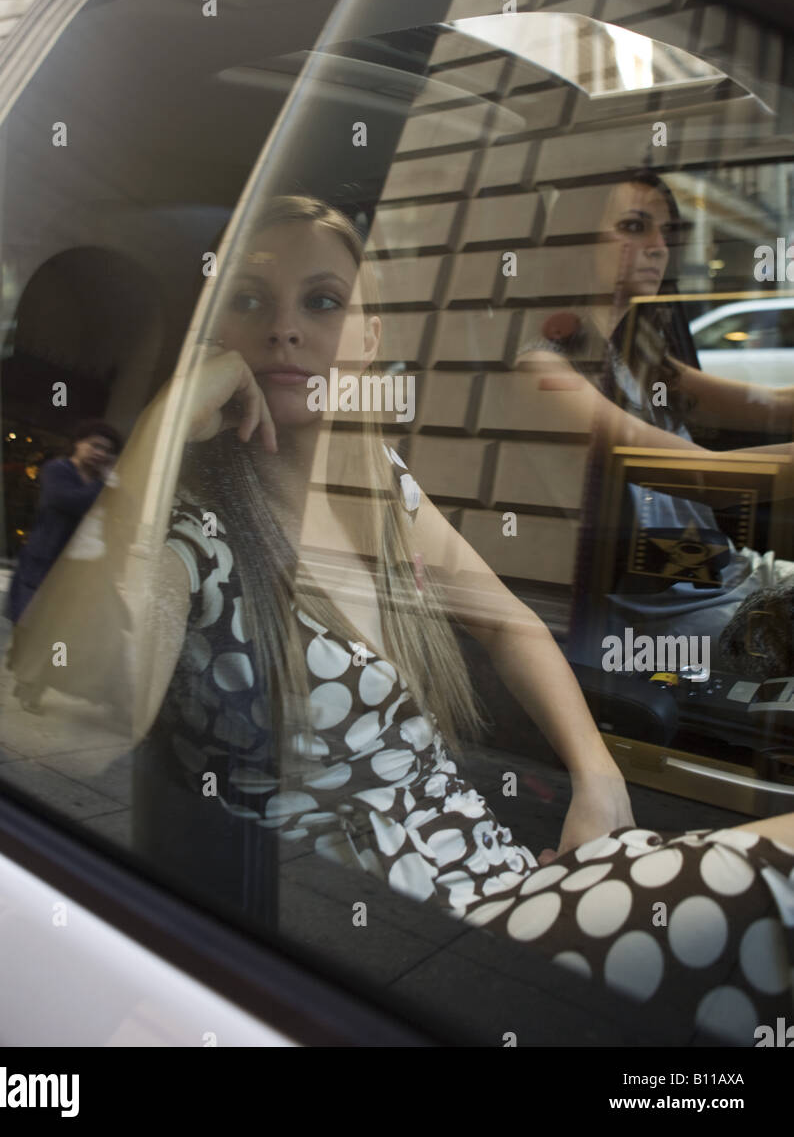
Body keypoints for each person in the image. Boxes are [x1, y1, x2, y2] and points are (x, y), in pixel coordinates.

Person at [110, 194, 792, 1045]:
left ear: (369, 338)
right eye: (249, 300)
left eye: (322, 301)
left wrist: (598, 777)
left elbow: (506, 622)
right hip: (394, 947)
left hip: (498, 878)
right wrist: (161, 435)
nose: (283, 328)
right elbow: (79, 712)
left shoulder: (382, 486)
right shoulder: (191, 537)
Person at [515, 172, 794, 673]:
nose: (658, 248)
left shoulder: (638, 354)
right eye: (634, 226)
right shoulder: (544, 370)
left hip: (726, 579)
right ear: (574, 241)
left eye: (666, 233)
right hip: (666, 624)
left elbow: (767, 404)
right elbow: (709, 479)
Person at [6, 419, 122, 711]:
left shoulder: (107, 483)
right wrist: (104, 484)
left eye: (107, 450)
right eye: (94, 445)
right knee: (35, 627)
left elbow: (123, 516)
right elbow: (67, 501)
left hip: (88, 569)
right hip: (48, 563)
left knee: (60, 631)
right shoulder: (59, 470)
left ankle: (33, 684)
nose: (99, 453)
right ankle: (26, 673)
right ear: (78, 443)